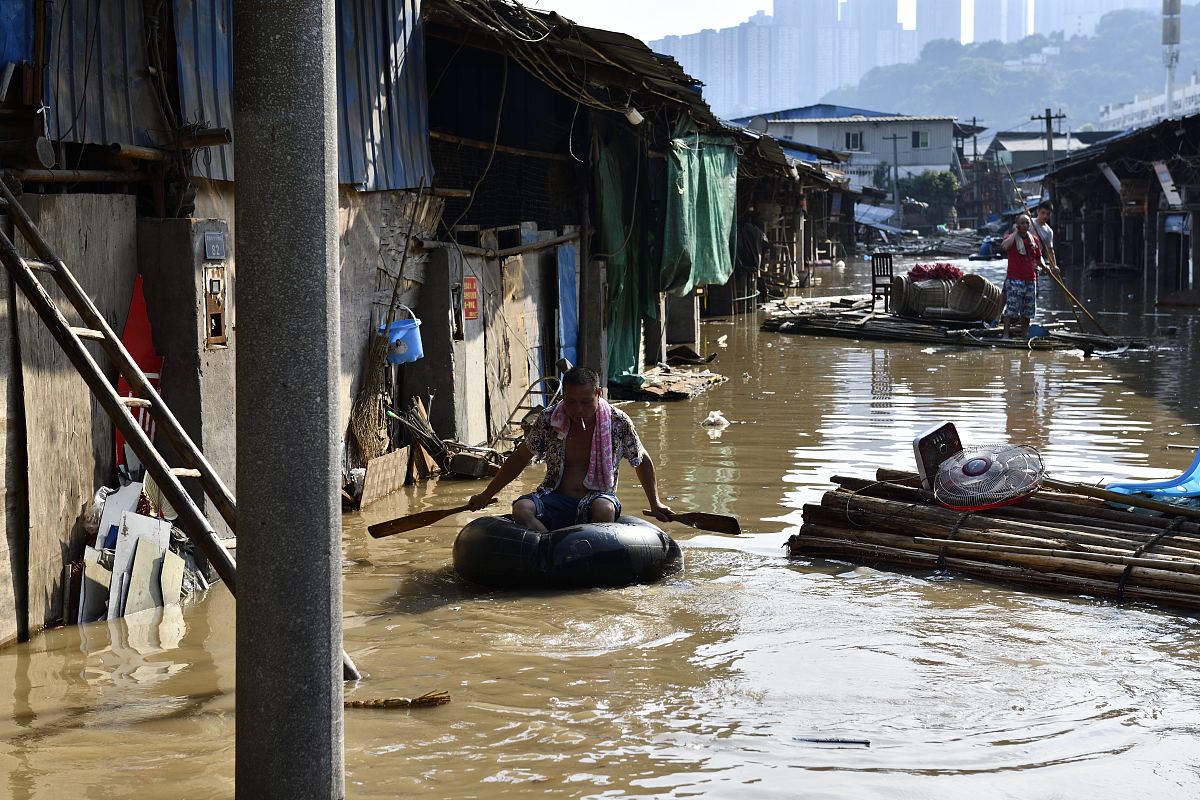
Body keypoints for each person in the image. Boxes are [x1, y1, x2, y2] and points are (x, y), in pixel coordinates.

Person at [467, 366, 673, 532]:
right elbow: (520, 457)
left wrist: (655, 503)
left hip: (598, 496)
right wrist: (487, 493)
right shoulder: (549, 419)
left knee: (604, 509)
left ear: (598, 394)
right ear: (563, 396)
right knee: (521, 509)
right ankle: (548, 546)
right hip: (555, 495)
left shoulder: (617, 422)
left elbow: (641, 458)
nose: (578, 410)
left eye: (585, 402)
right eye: (571, 402)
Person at [999, 213, 1056, 339]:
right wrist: (1015, 233)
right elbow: (1004, 246)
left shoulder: (1033, 240)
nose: (1025, 225)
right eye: (1022, 223)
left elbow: (1038, 257)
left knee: (1027, 311)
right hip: (1015, 279)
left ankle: (1024, 334)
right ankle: (1006, 334)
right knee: (1011, 309)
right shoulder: (1011, 238)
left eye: (1027, 223)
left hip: (1030, 280)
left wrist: (1045, 267)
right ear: (1017, 226)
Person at [1031, 200, 1057, 271]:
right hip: (1022, 260)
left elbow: (1050, 250)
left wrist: (1054, 266)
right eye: (1043, 213)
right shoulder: (1029, 222)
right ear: (1038, 211)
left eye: (1048, 214)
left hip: (1035, 263)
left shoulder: (1049, 231)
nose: (1045, 216)